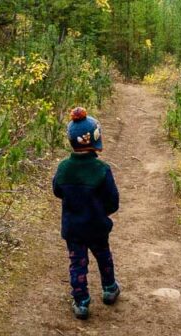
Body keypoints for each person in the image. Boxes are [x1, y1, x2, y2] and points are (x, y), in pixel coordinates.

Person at [52, 106, 121, 319]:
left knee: (77, 264)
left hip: (73, 228)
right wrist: (101, 212)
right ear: (95, 139)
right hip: (97, 226)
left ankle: (81, 302)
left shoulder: (64, 168)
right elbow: (113, 201)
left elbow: (57, 190)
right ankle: (109, 289)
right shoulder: (102, 169)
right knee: (104, 257)